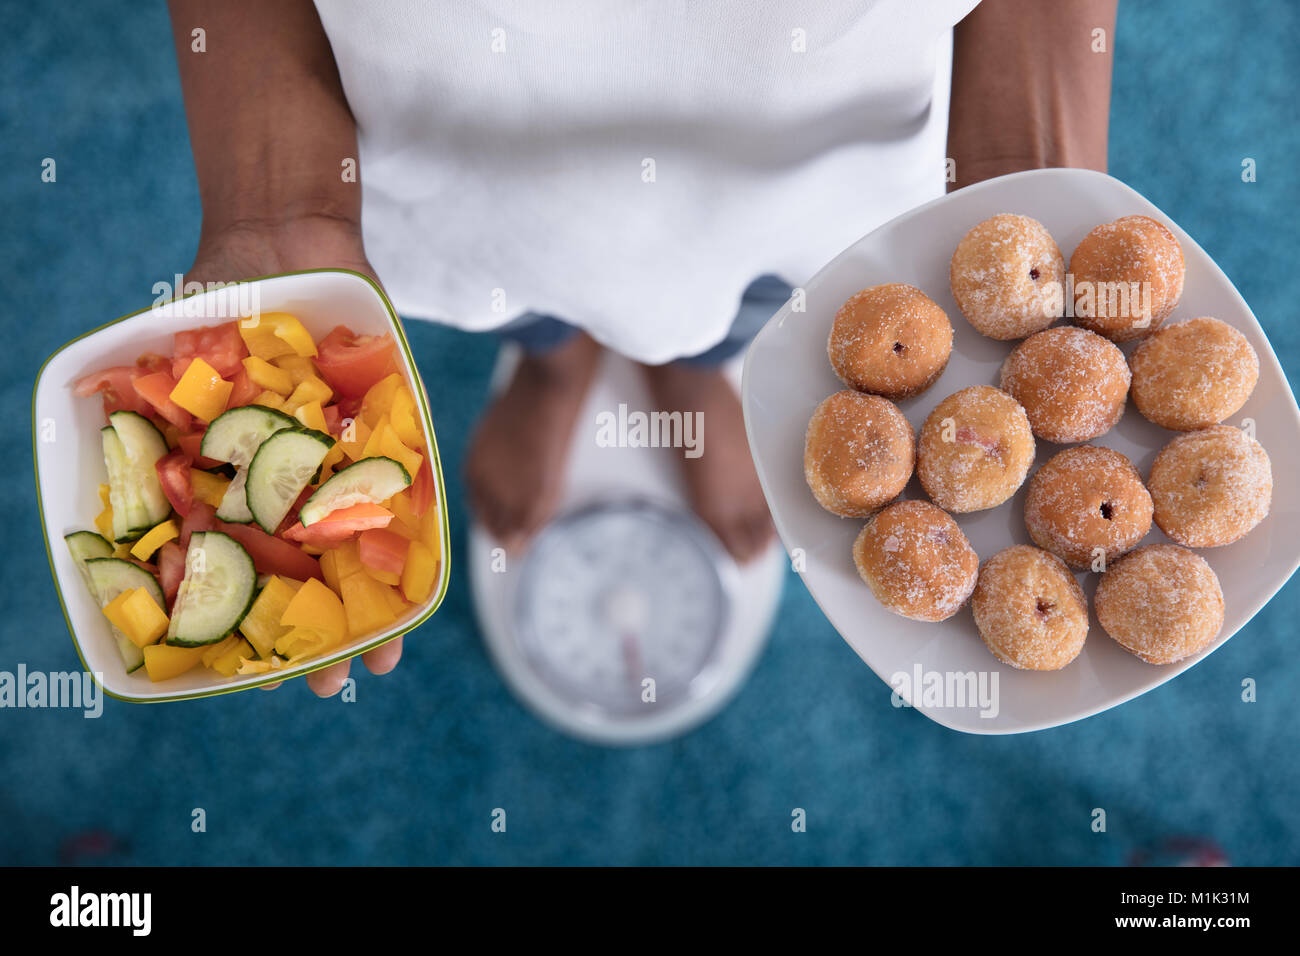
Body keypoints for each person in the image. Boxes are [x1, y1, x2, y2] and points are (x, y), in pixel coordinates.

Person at [168, 0, 1116, 695]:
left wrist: (1025, 182)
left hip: (815, 157)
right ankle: (555, 362)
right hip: (454, 154)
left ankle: (693, 362)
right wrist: (277, 202)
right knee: (503, 284)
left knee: (772, 302)